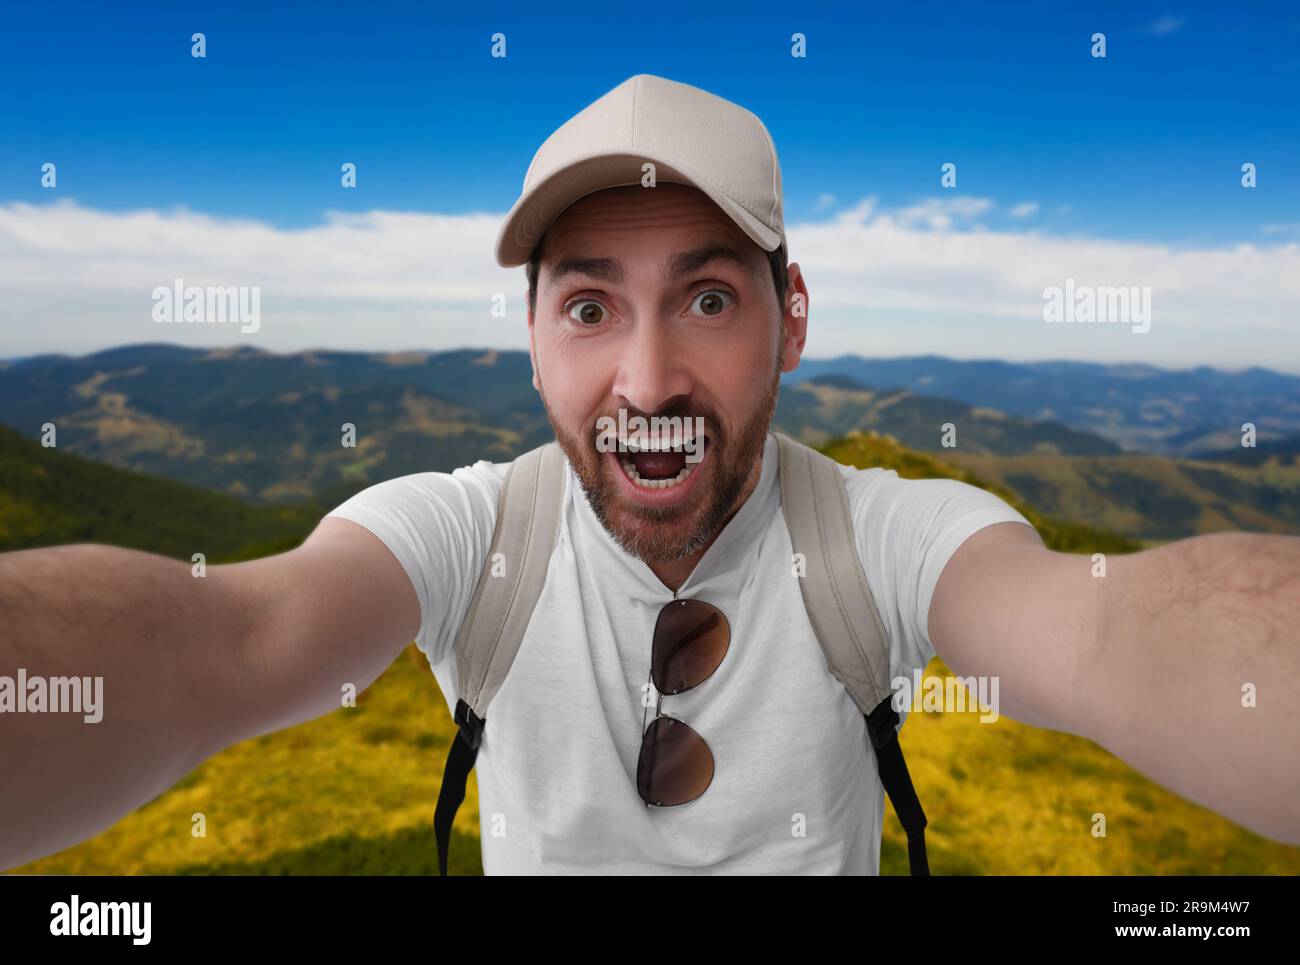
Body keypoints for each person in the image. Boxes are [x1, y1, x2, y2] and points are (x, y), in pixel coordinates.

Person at [2, 74, 1297, 874]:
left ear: (792, 319)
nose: (648, 375)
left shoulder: (884, 539)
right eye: (588, 307)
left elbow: (1108, 627)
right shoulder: (468, 532)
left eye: (709, 296)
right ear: (529, 338)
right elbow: (222, 637)